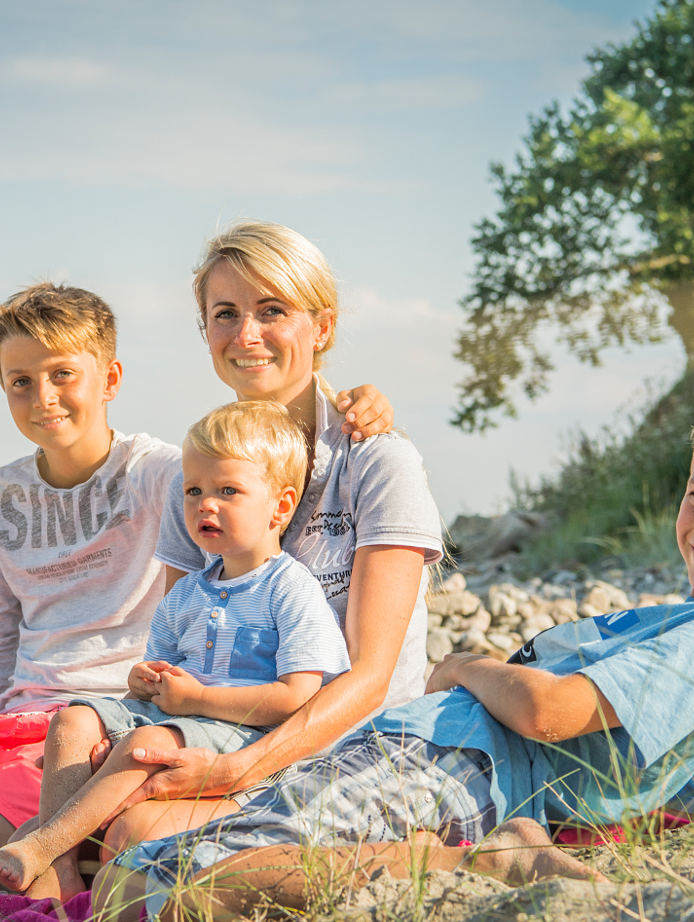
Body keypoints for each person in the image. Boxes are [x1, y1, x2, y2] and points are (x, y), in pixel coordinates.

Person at [90, 391, 694, 922]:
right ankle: (476, 853)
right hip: (428, 749)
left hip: (452, 761)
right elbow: (685, 756)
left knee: (176, 886)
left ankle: (480, 863)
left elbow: (549, 711)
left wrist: (466, 663)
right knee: (129, 871)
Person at [0, 282, 391, 877]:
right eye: (19, 381)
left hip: (96, 717)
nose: (43, 397)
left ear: (110, 379)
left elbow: (248, 454)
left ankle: (54, 860)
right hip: (6, 723)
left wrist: (354, 403)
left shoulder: (162, 472)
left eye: (62, 375)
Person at [37, 222, 446, 872]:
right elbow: (183, 642)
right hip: (224, 723)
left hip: (352, 743)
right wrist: (157, 698)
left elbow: (369, 680)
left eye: (273, 310)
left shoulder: (377, 461)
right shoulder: (197, 481)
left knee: (135, 838)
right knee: (67, 758)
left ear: (323, 326)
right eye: (225, 314)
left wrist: (232, 769)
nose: (247, 334)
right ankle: (48, 881)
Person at [0, 401, 350, 893]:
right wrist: (141, 686)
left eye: (227, 491)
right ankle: (62, 864)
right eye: (194, 490)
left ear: (280, 507)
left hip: (241, 733)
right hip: (178, 721)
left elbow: (296, 696)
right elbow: (159, 681)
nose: (204, 504)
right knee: (73, 719)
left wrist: (196, 700)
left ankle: (43, 845)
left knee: (144, 746)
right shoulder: (186, 592)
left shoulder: (289, 588)